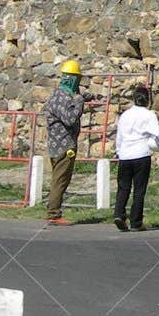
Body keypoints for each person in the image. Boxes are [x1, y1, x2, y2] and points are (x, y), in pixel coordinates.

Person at [113, 87, 159, 232]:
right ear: (147, 99)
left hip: (125, 155)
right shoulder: (149, 115)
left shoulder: (125, 115)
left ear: (134, 99)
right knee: (139, 189)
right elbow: (157, 133)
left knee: (123, 187)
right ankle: (136, 222)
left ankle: (119, 214)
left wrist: (119, 152)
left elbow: (119, 136)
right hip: (141, 154)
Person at [42, 59, 88, 224]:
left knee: (60, 179)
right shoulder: (60, 97)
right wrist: (79, 102)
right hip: (63, 145)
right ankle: (54, 214)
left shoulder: (61, 95)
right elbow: (70, 118)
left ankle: (54, 211)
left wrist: (81, 97)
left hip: (60, 144)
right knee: (60, 180)